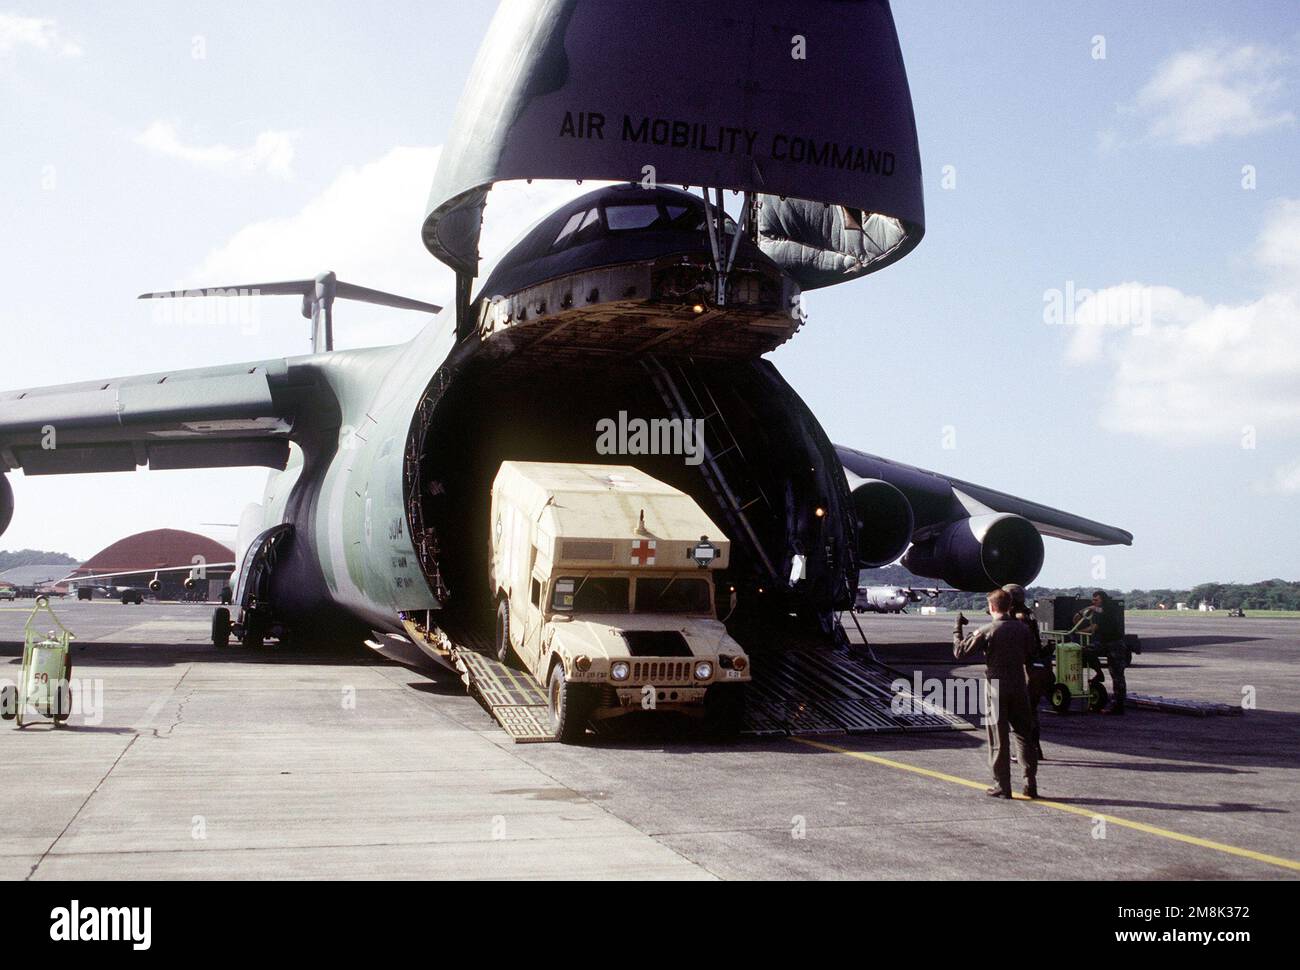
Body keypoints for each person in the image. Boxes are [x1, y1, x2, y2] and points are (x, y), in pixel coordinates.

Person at [953, 588, 1040, 798]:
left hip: (996, 686)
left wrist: (957, 629)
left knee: (998, 738)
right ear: (1009, 606)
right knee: (1024, 736)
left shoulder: (987, 630)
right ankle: (1030, 783)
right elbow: (1032, 653)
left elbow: (960, 652)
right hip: (1019, 684)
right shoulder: (1023, 629)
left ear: (992, 607)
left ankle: (1003, 786)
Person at [1004, 583, 1049, 760]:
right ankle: (1035, 749)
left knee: (1020, 713)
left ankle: (1027, 751)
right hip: (1037, 668)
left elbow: (1020, 646)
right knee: (1031, 712)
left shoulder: (1019, 618)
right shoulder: (1028, 614)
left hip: (1026, 670)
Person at [1075, 590, 1126, 714]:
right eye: (1093, 600)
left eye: (1096, 600)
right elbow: (1092, 627)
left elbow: (1095, 625)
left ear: (1103, 600)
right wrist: (1079, 623)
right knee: (1085, 650)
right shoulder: (1097, 612)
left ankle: (1118, 705)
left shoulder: (1109, 609)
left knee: (1117, 675)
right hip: (1104, 643)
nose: (1094, 602)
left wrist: (1090, 608)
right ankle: (1099, 673)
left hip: (1115, 644)